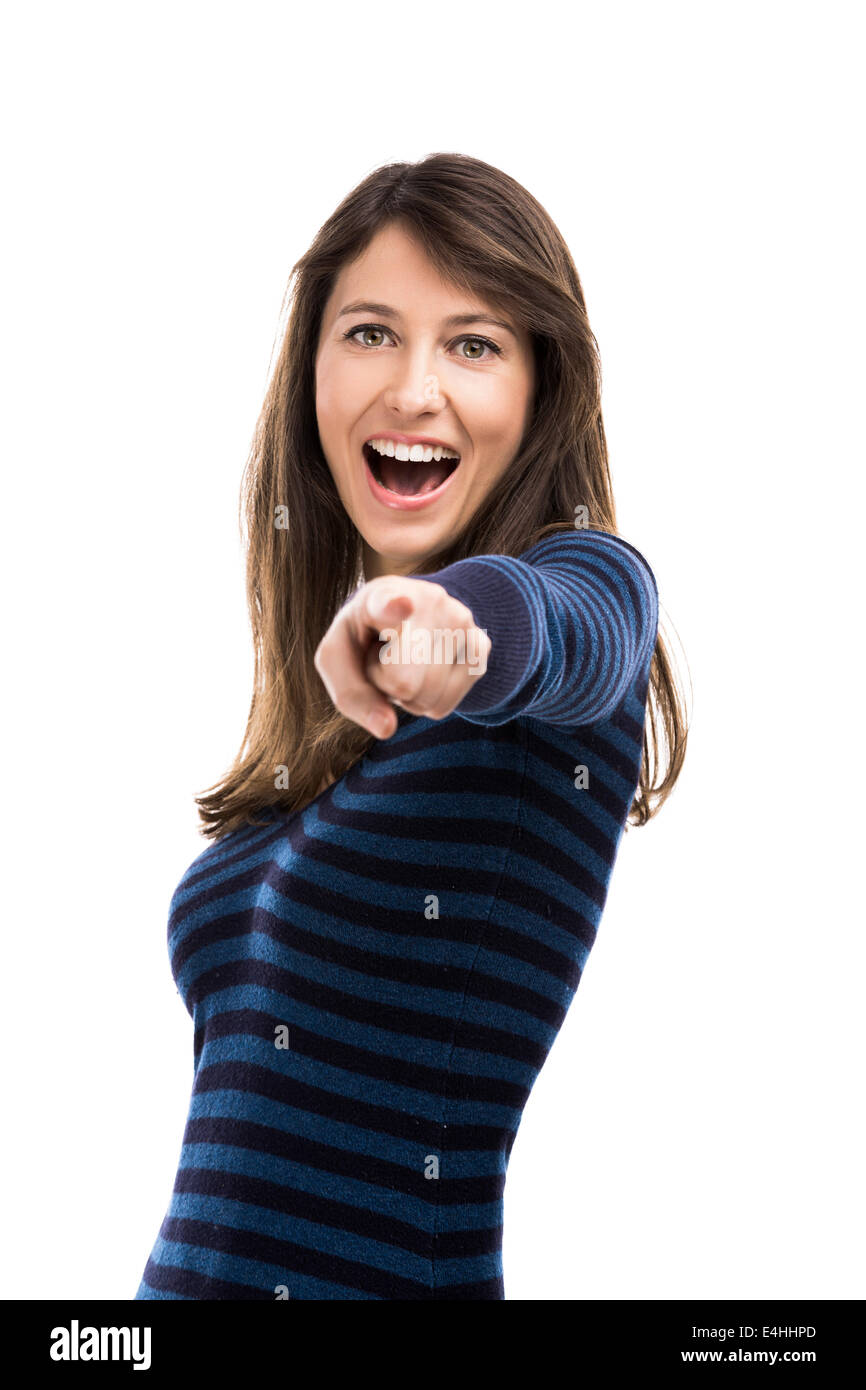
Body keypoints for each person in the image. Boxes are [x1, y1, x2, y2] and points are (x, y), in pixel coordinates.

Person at [135, 152, 688, 1300]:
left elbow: (559, 624)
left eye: (473, 343)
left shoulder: (576, 601)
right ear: (313, 375)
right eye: (371, 332)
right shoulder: (333, 743)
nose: (413, 387)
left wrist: (442, 630)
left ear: (541, 387)